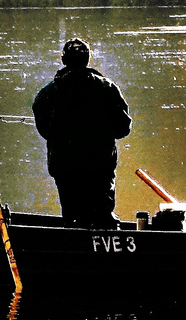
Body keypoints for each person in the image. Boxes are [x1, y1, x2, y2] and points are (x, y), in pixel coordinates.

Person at [32, 37, 132, 227]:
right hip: (100, 167)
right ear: (88, 59)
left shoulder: (48, 93)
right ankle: (105, 248)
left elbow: (44, 128)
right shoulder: (107, 88)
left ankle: (76, 246)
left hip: (64, 166)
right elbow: (123, 128)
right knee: (103, 218)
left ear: (63, 60)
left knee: (73, 218)